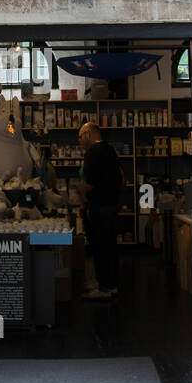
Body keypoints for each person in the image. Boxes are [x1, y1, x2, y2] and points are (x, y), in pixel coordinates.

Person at [77, 120, 124, 299]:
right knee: (110, 247)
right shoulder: (110, 150)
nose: (80, 141)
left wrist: (80, 195)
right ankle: (111, 285)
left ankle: (104, 287)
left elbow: (88, 184)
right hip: (112, 206)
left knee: (100, 248)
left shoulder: (93, 153)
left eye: (80, 137)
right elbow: (120, 177)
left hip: (99, 208)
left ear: (88, 134)